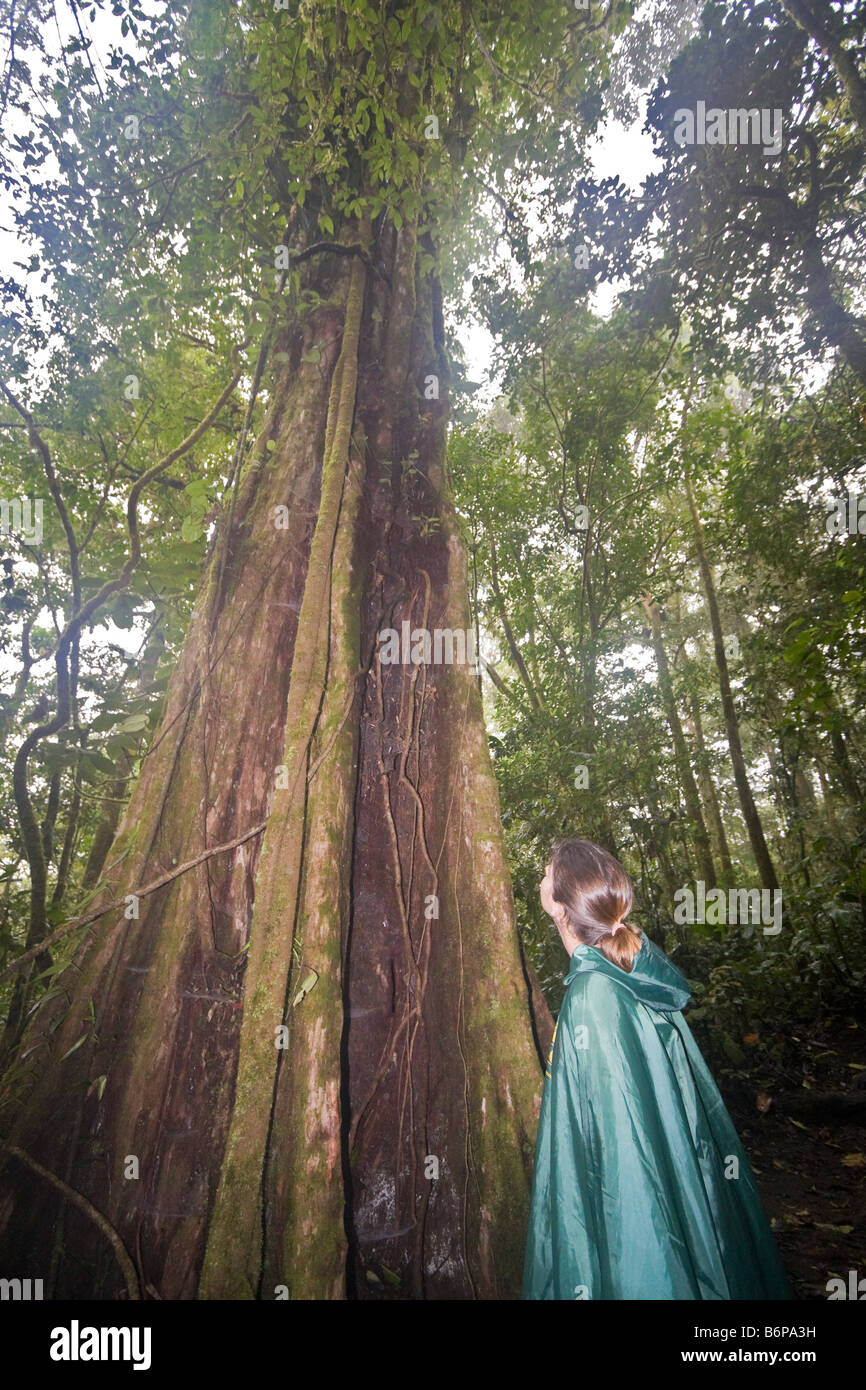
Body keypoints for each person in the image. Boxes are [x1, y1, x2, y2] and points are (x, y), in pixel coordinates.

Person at [523, 837, 792, 1300]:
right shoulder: (631, 976)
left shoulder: (594, 998)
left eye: (546, 875)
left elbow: (627, 1170)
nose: (540, 881)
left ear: (560, 905)